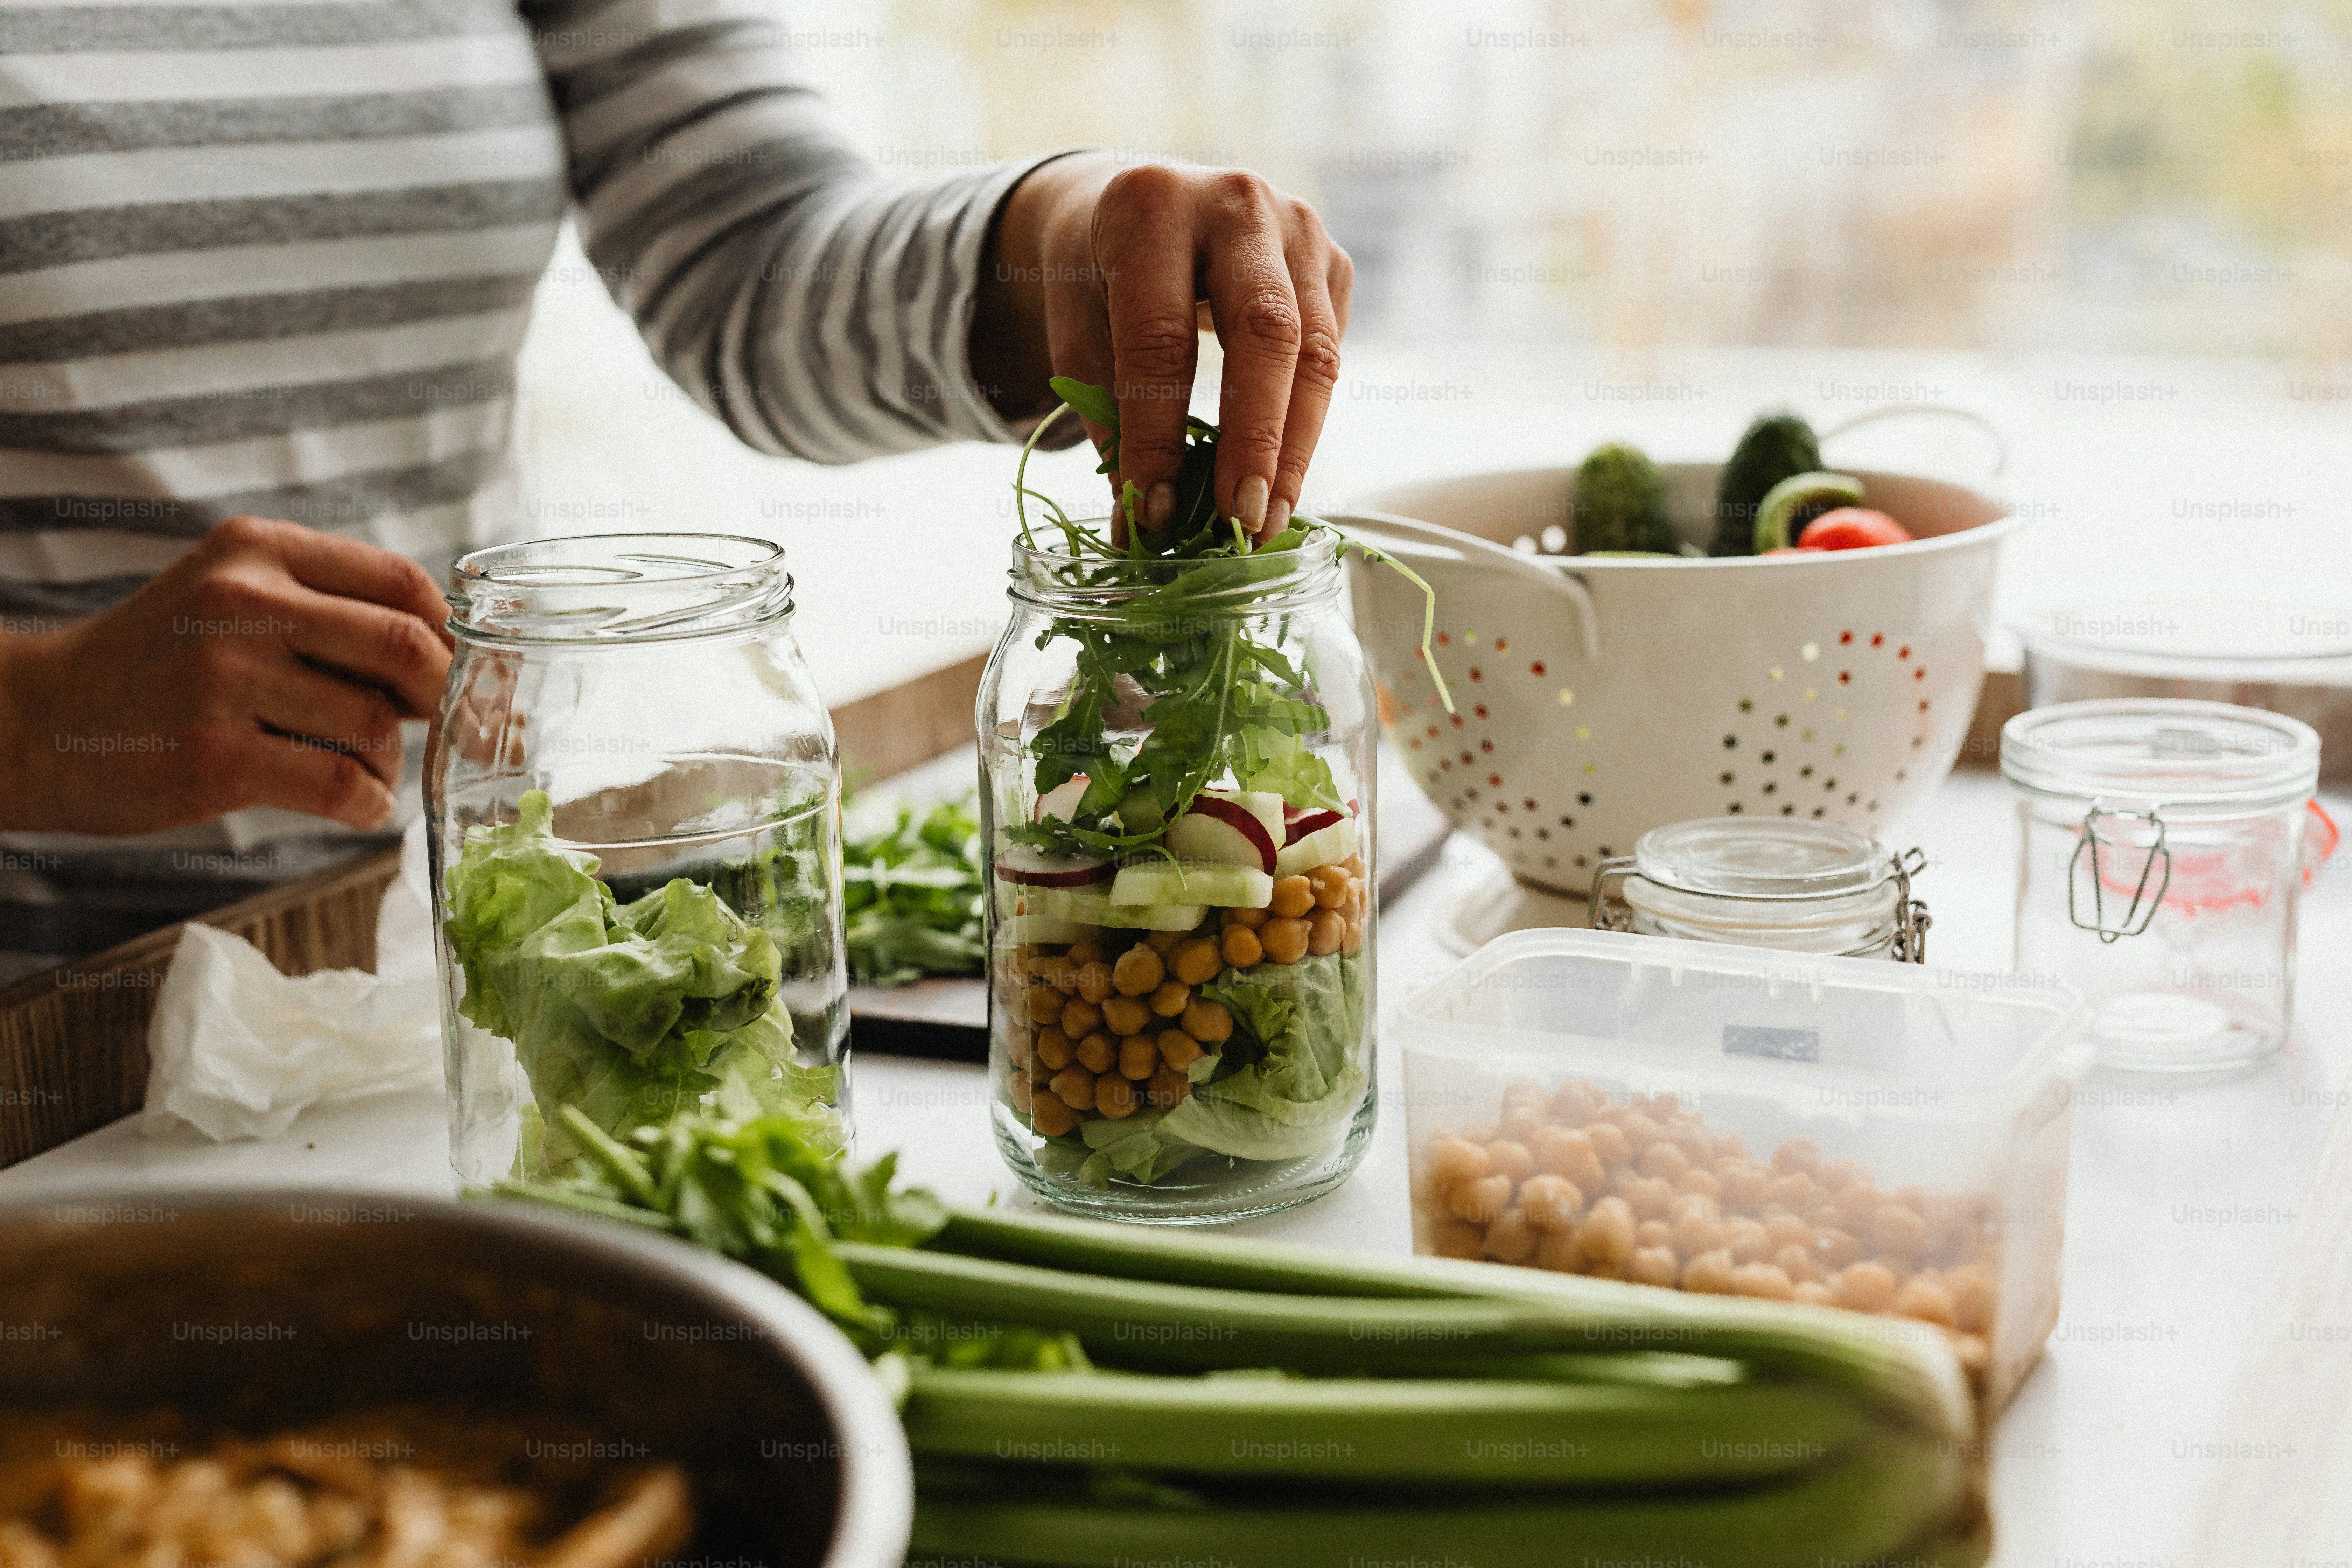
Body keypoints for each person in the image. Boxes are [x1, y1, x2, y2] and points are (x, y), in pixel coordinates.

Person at [0, 0, 1350, 980]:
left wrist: (1058, 233)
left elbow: (755, 264)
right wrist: (40, 721)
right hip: (42, 1016)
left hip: (447, 938)